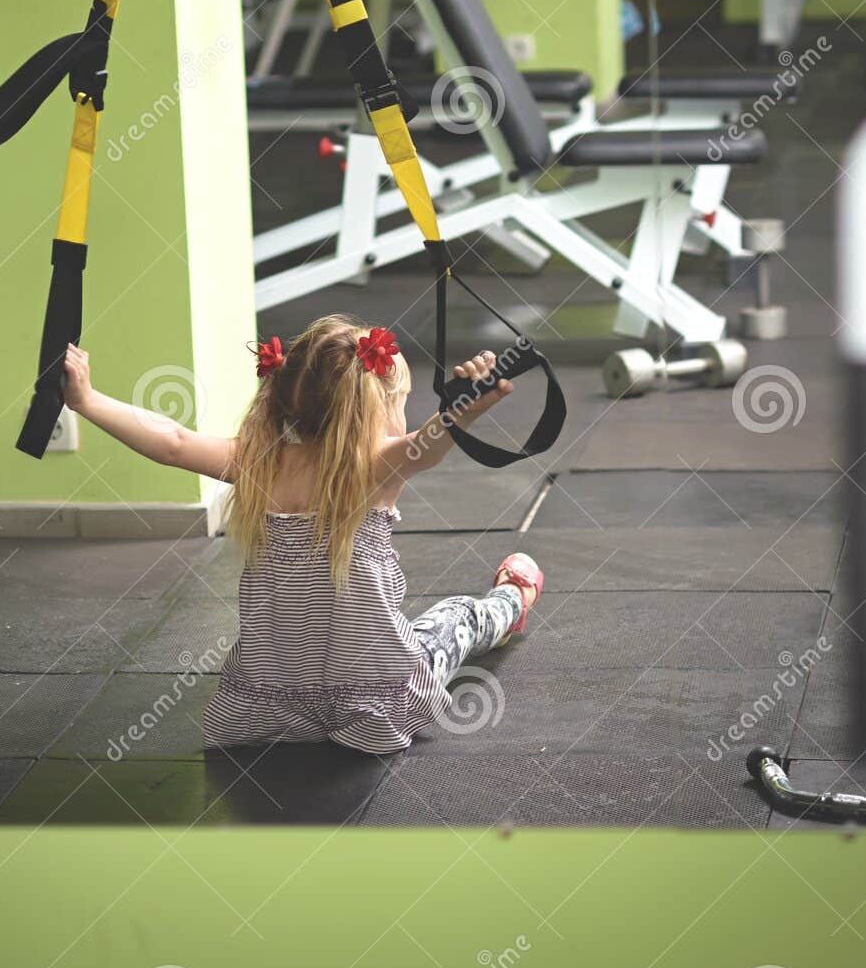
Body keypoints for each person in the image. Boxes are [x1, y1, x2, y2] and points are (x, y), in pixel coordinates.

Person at [62, 315, 543, 754]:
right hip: (369, 699)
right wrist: (464, 410)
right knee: (454, 619)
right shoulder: (375, 468)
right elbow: (428, 443)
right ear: (370, 411)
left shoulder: (257, 464)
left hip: (273, 702)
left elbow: (172, 442)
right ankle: (511, 601)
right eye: (399, 404)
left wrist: (86, 400)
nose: (402, 418)